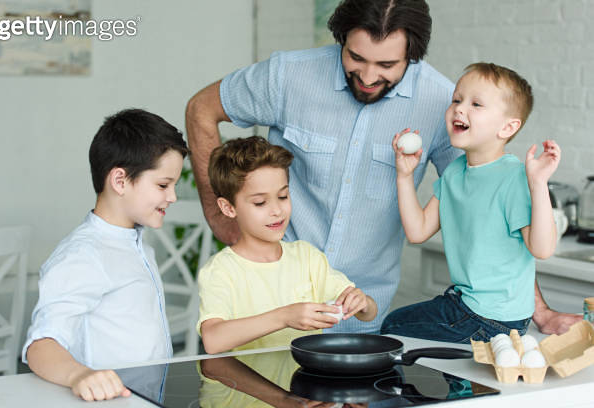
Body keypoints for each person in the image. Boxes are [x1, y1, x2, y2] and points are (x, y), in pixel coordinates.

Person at [186, 0, 579, 334]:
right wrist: (220, 217)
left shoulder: (444, 105)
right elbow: (201, 109)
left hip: (363, 316)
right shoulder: (287, 76)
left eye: (387, 64)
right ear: (341, 39)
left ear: (413, 54)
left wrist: (538, 310)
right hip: (266, 310)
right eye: (356, 57)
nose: (369, 76)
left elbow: (489, 210)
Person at [381, 63, 561, 342]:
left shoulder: (515, 177)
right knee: (398, 326)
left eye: (476, 104)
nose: (459, 108)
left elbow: (542, 248)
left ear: (508, 127)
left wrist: (538, 184)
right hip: (467, 306)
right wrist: (405, 175)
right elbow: (417, 232)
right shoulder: (455, 172)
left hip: (494, 318)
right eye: (456, 100)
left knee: (393, 326)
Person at [22, 109, 189, 401]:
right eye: (163, 185)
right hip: (110, 400)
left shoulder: (139, 243)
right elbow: (41, 344)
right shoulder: (83, 255)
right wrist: (79, 375)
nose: (172, 196)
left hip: (145, 396)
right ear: (120, 180)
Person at [196, 136, 377, 354]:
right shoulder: (221, 270)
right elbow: (213, 339)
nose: (277, 210)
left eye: (282, 196)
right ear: (228, 208)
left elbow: (369, 314)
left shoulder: (307, 257)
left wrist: (363, 303)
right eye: (260, 202)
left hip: (302, 384)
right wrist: (283, 317)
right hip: (245, 386)